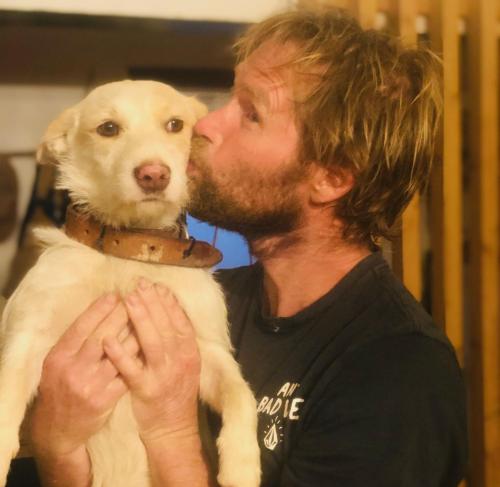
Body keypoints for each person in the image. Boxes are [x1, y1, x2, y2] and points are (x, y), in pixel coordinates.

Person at [24, 7, 467, 487]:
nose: (207, 125)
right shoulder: (211, 298)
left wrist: (171, 432)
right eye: (229, 98)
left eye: (251, 113)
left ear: (331, 176)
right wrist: (58, 447)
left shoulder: (398, 372)